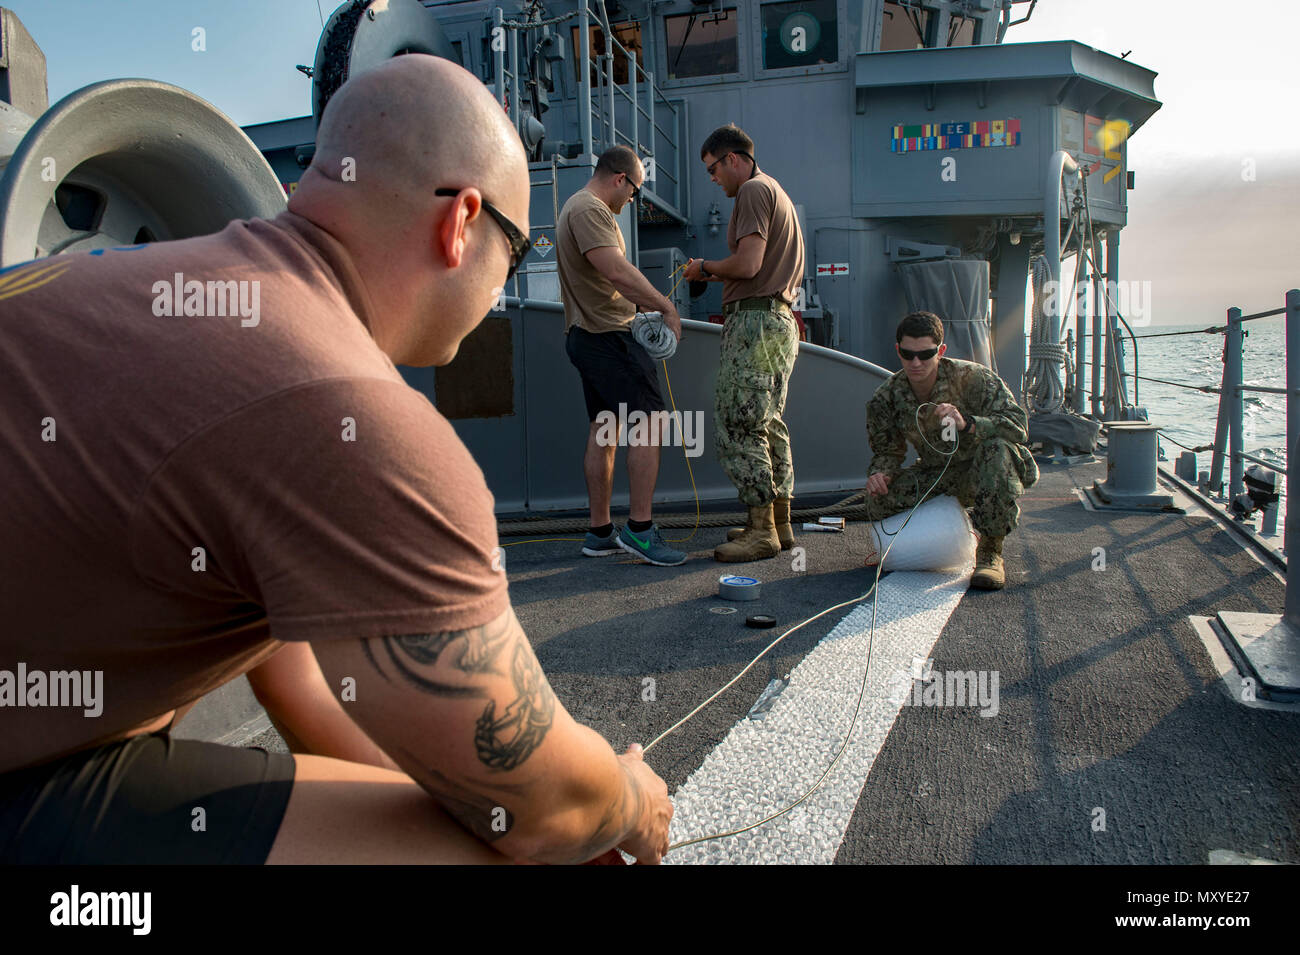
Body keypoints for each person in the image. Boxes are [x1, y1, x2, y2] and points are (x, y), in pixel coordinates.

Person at [0, 55, 671, 865]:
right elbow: (533, 802)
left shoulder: (145, 290)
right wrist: (626, 797)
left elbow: (304, 686)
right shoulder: (348, 408)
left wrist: (508, 807)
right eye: (514, 246)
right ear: (462, 223)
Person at [557, 145, 686, 567]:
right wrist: (665, 307)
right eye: (634, 190)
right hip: (609, 337)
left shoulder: (575, 209)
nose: (632, 199)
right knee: (650, 422)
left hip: (585, 335)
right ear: (619, 178)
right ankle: (641, 531)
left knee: (604, 428)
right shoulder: (589, 209)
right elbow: (615, 270)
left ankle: (599, 533)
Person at [682, 124, 806, 563]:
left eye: (713, 169)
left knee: (738, 423)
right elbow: (759, 265)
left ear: (733, 158)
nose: (713, 179)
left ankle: (761, 531)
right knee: (768, 422)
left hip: (754, 324)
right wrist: (713, 273)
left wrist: (704, 266)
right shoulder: (777, 192)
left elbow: (749, 263)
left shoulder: (753, 191)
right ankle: (778, 522)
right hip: (777, 321)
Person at [864, 311, 1039, 589]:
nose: (916, 363)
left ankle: (990, 552)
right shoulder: (887, 397)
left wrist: (969, 423)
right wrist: (880, 475)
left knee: (998, 449)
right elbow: (887, 452)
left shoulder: (972, 378)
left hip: (982, 468)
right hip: (938, 474)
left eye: (926, 354)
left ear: (941, 350)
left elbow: (1018, 427)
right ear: (898, 351)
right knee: (876, 501)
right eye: (908, 355)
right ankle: (939, 537)